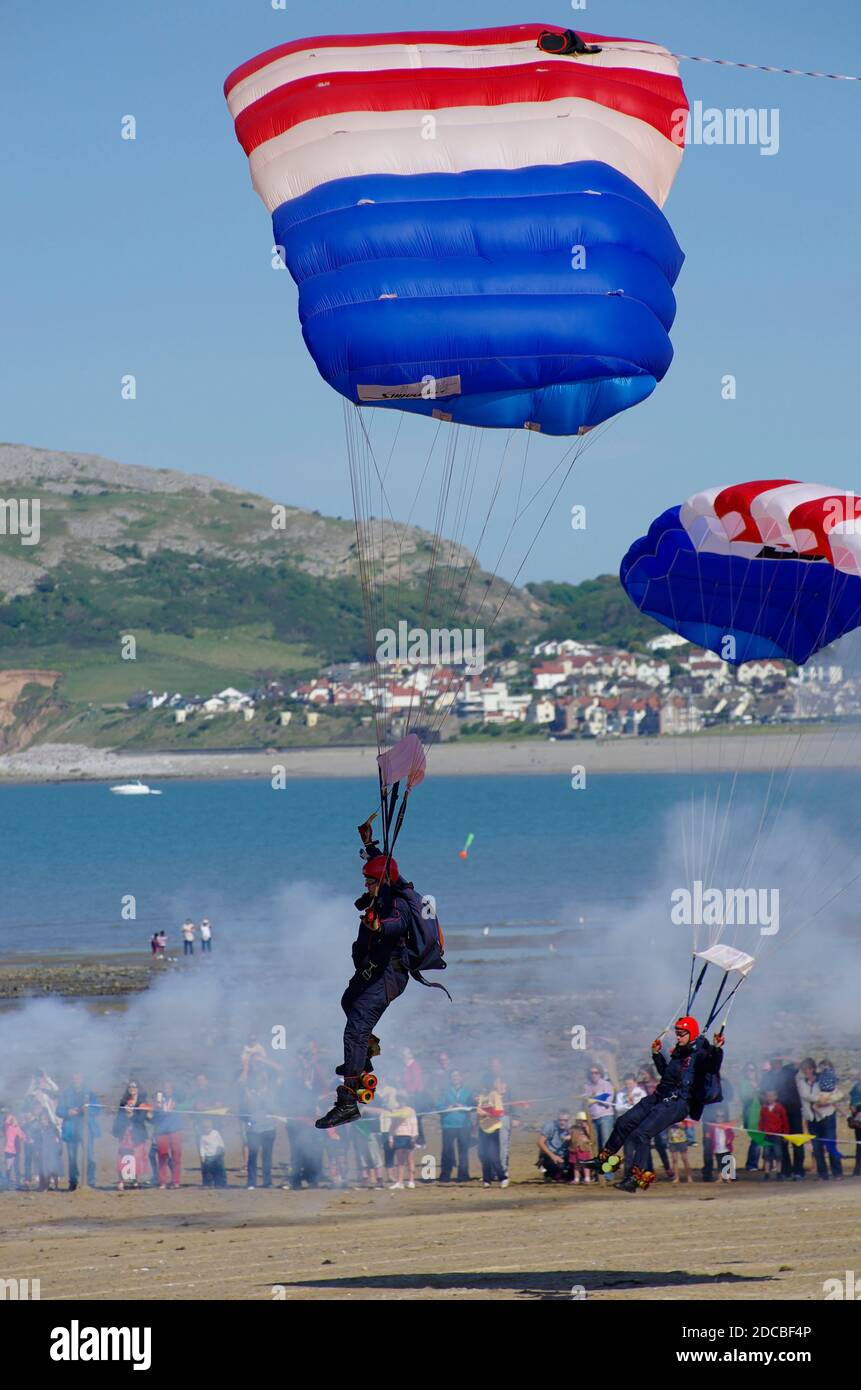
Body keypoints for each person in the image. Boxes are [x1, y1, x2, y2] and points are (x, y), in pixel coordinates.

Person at [316, 848, 422, 1129]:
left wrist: (379, 926)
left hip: (389, 975)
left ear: (383, 881)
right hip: (374, 971)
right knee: (348, 1001)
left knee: (355, 1029)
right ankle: (363, 1059)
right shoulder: (381, 894)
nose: (366, 885)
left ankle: (347, 1102)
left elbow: (397, 924)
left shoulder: (395, 903)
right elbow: (387, 868)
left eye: (370, 881)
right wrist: (372, 850)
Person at [585, 1017, 724, 1193]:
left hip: (678, 1103)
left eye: (681, 1035)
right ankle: (603, 1160)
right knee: (623, 1122)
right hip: (660, 1096)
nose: (678, 1038)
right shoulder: (679, 1052)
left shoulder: (701, 1054)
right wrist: (657, 1055)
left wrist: (718, 1049)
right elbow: (667, 1075)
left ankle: (635, 1178)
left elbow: (712, 1067)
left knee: (642, 1134)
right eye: (677, 1034)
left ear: (692, 1034)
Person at [57, 1073, 100, 1190]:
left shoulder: (89, 1093)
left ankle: (90, 1181)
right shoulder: (66, 1093)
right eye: (75, 1077)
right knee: (72, 1158)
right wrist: (68, 1112)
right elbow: (59, 1110)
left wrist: (85, 1110)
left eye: (79, 1077)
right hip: (71, 1130)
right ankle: (73, 1181)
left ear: (83, 1078)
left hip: (86, 1129)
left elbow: (97, 1109)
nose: (77, 1079)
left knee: (90, 1156)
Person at [112, 1081, 150, 1190]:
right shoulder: (123, 1102)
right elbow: (119, 1116)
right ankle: (121, 1181)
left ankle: (135, 1180)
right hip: (125, 1133)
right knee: (122, 1156)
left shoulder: (143, 1103)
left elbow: (142, 1118)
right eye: (130, 1087)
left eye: (134, 1086)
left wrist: (132, 1116)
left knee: (137, 1157)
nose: (131, 1088)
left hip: (137, 1133)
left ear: (138, 1088)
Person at [438, 1070, 474, 1183]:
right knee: (447, 1150)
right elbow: (438, 1106)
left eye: (458, 1075)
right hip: (448, 1124)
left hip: (464, 1124)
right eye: (453, 1076)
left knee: (463, 1150)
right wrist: (447, 1107)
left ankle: (463, 1175)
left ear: (461, 1077)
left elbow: (473, 1106)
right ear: (450, 1078)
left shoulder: (468, 1092)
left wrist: (464, 1106)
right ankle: (445, 1175)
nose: (455, 1078)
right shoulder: (444, 1092)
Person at [476, 1078, 508, 1187]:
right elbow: (478, 1113)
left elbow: (500, 1112)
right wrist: (474, 1127)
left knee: (494, 1155)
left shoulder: (494, 1095)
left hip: (493, 1129)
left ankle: (502, 1178)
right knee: (483, 1155)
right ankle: (486, 1179)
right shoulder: (481, 1097)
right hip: (482, 1129)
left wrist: (485, 1113)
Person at [245, 1082, 277, 1189]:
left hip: (268, 1129)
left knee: (267, 1157)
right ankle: (251, 1182)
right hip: (253, 1130)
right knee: (252, 1157)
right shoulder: (249, 1094)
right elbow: (247, 1109)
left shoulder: (270, 1093)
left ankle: (267, 1182)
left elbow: (273, 1108)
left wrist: (265, 1097)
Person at [153, 1082, 184, 1189]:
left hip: (175, 1129)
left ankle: (176, 1181)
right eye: (165, 1088)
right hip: (161, 1131)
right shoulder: (159, 1100)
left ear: (172, 1089)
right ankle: (163, 1182)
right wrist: (157, 1108)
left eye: (169, 1088)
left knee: (176, 1155)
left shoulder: (177, 1099)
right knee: (162, 1155)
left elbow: (186, 1105)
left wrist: (177, 1106)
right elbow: (153, 1116)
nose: (166, 1090)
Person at [614, 1074, 646, 1177]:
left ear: (635, 1082)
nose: (628, 1086)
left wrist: (633, 1103)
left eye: (630, 1083)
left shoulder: (641, 1093)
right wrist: (628, 1104)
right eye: (626, 1083)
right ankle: (627, 1176)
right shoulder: (620, 1094)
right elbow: (618, 1109)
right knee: (628, 1153)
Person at [387, 1092, 418, 1189]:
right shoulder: (394, 1111)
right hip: (398, 1136)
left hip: (408, 1136)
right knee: (400, 1161)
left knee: (410, 1159)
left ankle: (411, 1180)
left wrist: (414, 1136)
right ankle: (399, 1182)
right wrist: (391, 1138)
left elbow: (414, 1124)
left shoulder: (411, 1110)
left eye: (403, 1099)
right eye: (399, 1099)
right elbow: (391, 1126)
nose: (401, 1101)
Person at [537, 1108, 573, 1182]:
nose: (562, 1122)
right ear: (556, 1119)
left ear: (569, 1120)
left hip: (565, 1155)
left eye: (565, 1120)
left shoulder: (572, 1128)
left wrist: (572, 1135)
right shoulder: (549, 1126)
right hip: (550, 1155)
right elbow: (540, 1142)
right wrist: (553, 1156)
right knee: (552, 1173)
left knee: (571, 1175)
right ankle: (547, 1173)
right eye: (560, 1120)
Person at [759, 1088, 789, 1179]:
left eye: (772, 1096)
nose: (770, 1098)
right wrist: (761, 1131)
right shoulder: (764, 1109)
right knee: (767, 1154)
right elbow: (761, 1121)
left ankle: (779, 1172)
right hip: (767, 1135)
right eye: (768, 1096)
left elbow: (785, 1122)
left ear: (776, 1097)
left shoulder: (780, 1108)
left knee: (778, 1154)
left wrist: (785, 1133)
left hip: (777, 1135)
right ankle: (767, 1173)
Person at [740, 1062, 763, 1172]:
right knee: (756, 1140)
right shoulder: (744, 1083)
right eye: (748, 1070)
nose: (750, 1072)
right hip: (751, 1115)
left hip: (762, 1115)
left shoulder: (759, 1083)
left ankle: (764, 1163)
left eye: (752, 1070)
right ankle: (751, 1164)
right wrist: (756, 1090)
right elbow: (745, 1097)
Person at [199, 1119, 227, 1187]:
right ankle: (207, 1184)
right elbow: (202, 1147)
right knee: (207, 1171)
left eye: (209, 1127)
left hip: (217, 1155)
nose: (207, 1129)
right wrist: (202, 1156)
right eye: (205, 1128)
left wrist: (221, 1149)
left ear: (212, 1127)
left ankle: (220, 1183)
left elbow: (221, 1142)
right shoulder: (202, 1136)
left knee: (219, 1170)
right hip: (208, 1157)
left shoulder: (216, 1133)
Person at [666, 1119, 693, 1184]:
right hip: (672, 1141)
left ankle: (689, 1177)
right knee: (674, 1160)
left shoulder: (681, 1115)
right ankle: (676, 1178)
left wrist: (676, 1123)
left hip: (682, 1140)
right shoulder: (668, 1116)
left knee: (685, 1159)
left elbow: (684, 1127)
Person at [4, 1114, 25, 1189]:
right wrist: (11, 1116)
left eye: (13, 1119)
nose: (12, 1121)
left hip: (16, 1151)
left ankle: (18, 1183)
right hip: (8, 1150)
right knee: (8, 1168)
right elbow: (6, 1121)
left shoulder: (17, 1128)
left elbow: (23, 1136)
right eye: (11, 1120)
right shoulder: (7, 1127)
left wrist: (24, 1139)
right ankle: (7, 1183)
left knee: (16, 1167)